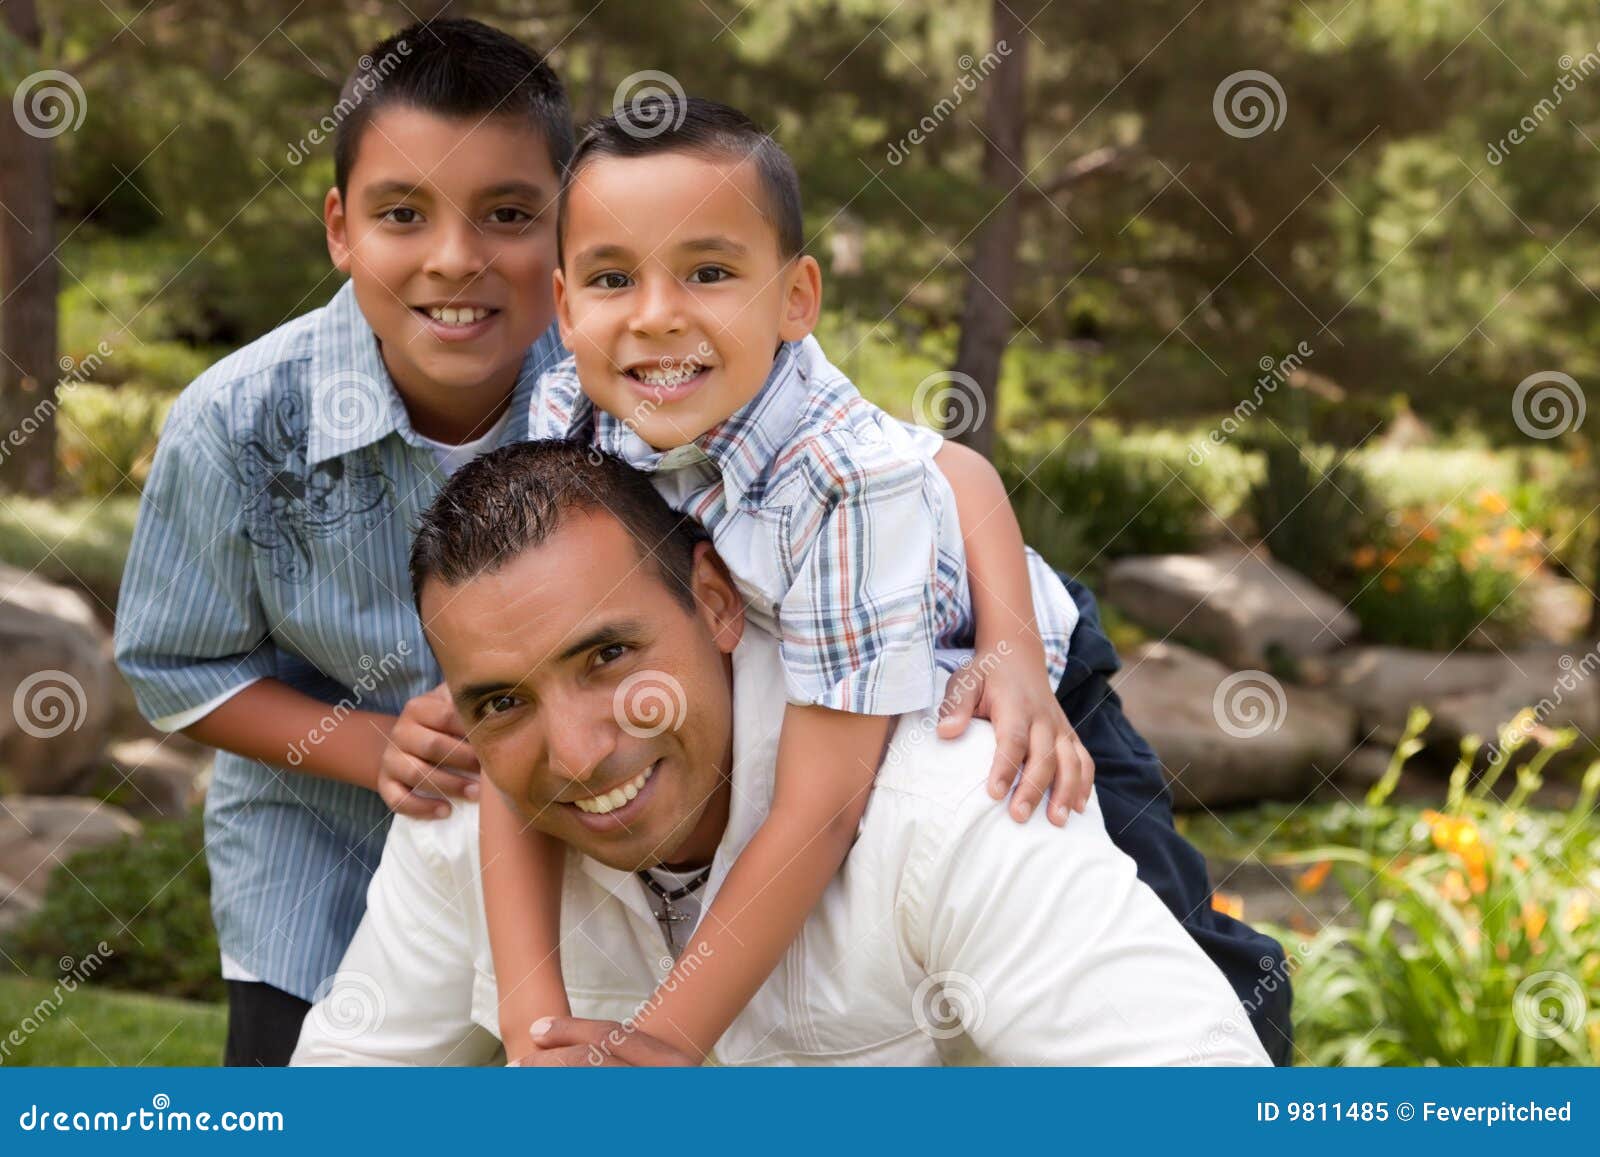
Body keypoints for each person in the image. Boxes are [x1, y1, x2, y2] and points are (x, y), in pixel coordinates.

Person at [485, 97, 1292, 1066]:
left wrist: (664, 1038)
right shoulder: (566, 403)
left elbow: (823, 806)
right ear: (565, 306)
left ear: (796, 297)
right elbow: (956, 462)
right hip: (816, 632)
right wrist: (533, 1031)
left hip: (1008, 648)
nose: (657, 315)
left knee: (1163, 946)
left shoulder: (840, 477)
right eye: (615, 277)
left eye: (708, 271)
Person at [292, 440, 1272, 1067]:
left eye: (608, 655)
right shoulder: (468, 810)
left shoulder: (953, 795)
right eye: (501, 699)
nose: (581, 752)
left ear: (717, 600)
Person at [111, 18, 572, 1064]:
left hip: (572, 874)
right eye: (402, 213)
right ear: (340, 228)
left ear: (565, 227)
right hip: (318, 878)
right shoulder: (237, 420)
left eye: (507, 213)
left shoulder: (620, 396)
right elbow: (178, 666)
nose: (455, 259)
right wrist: (372, 751)